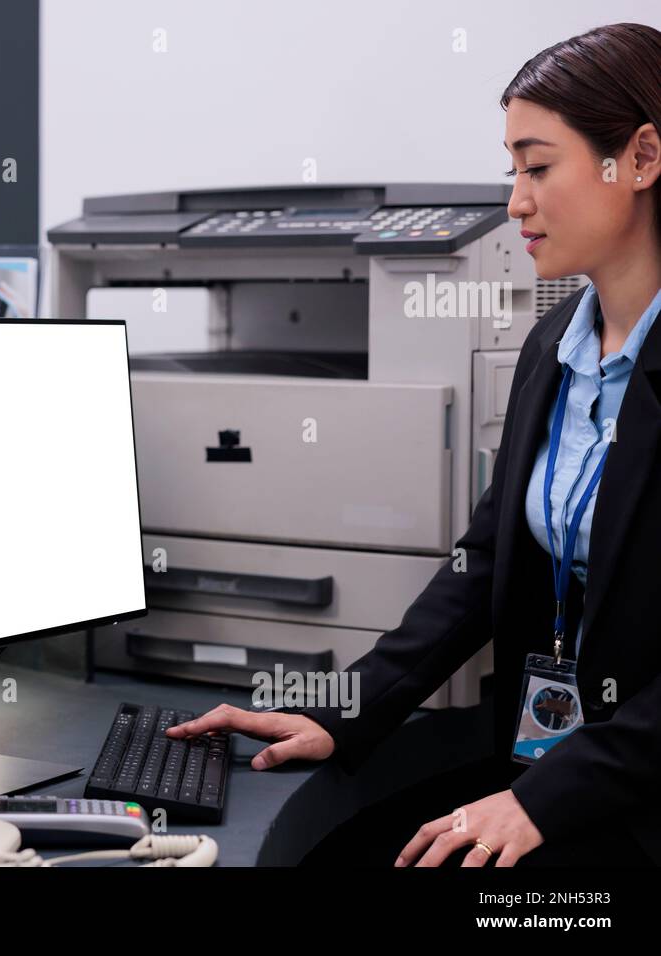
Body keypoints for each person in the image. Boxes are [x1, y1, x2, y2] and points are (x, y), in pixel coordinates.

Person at [167, 22, 661, 867]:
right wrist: (340, 709)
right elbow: (483, 565)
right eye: (512, 170)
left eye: (538, 166)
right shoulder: (554, 351)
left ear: (641, 159)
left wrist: (546, 799)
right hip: (547, 769)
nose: (515, 202)